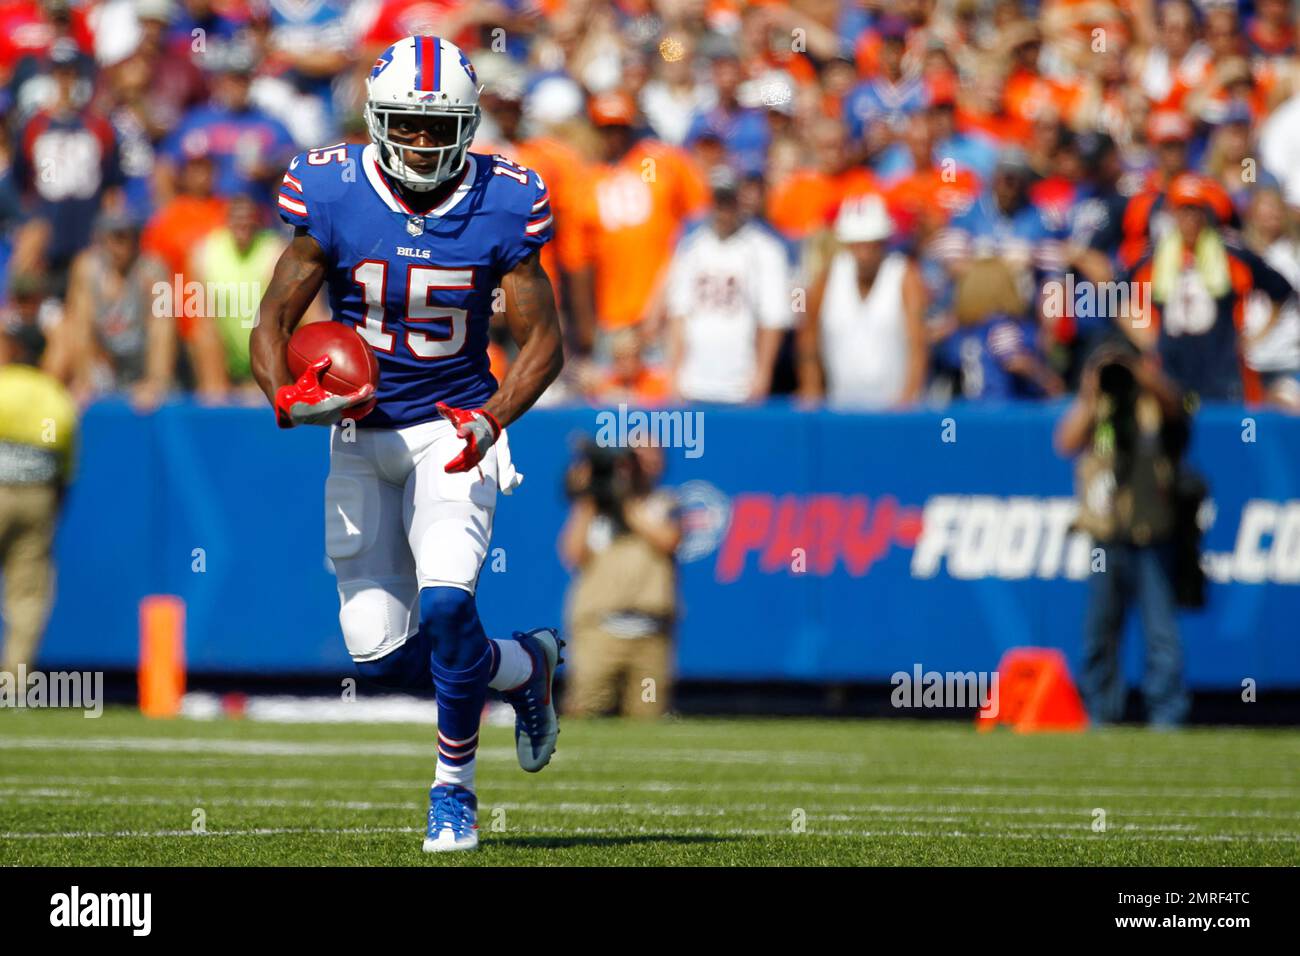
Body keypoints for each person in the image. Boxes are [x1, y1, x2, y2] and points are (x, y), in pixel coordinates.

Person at [249, 36, 565, 854]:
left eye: (439, 129)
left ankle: (451, 794)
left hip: (454, 430)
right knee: (383, 652)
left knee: (450, 603)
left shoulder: (504, 198)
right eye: (407, 127)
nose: (423, 144)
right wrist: (284, 398)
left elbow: (544, 344)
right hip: (360, 434)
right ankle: (523, 667)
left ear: (468, 126)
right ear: (378, 123)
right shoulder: (333, 190)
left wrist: (493, 417)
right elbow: (273, 320)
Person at [1053, 347, 1194, 727]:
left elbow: (1179, 409)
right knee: (1099, 632)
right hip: (1105, 535)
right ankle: (1100, 713)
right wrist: (1090, 392)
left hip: (1151, 533)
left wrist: (1143, 376)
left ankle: (1167, 715)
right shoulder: (1096, 406)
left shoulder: (1151, 405)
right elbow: (1064, 443)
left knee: (1161, 634)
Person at [559, 441, 681, 719]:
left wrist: (623, 502)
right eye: (638, 457)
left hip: (651, 631)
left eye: (652, 456)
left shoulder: (665, 502)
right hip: (599, 628)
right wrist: (588, 497)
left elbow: (668, 540)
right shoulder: (596, 509)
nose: (644, 465)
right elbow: (573, 554)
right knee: (584, 710)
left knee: (647, 715)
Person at [665, 165, 791, 404]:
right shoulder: (691, 248)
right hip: (694, 382)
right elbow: (678, 314)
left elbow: (773, 319)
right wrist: (674, 372)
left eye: (728, 200)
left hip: (741, 383)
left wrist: (763, 374)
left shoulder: (765, 250)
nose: (723, 209)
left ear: (739, 200)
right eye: (718, 200)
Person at [798, 193, 927, 408]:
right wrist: (812, 391)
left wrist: (908, 398)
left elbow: (918, 345)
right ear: (847, 244)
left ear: (883, 242)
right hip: (841, 408)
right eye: (858, 246)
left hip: (893, 410)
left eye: (871, 245)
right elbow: (809, 341)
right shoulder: (827, 279)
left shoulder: (904, 276)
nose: (864, 255)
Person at [0, 318, 77, 676]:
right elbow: (66, 468)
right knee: (28, 594)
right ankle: (13, 682)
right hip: (39, 497)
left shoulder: (4, 385)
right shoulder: (54, 394)